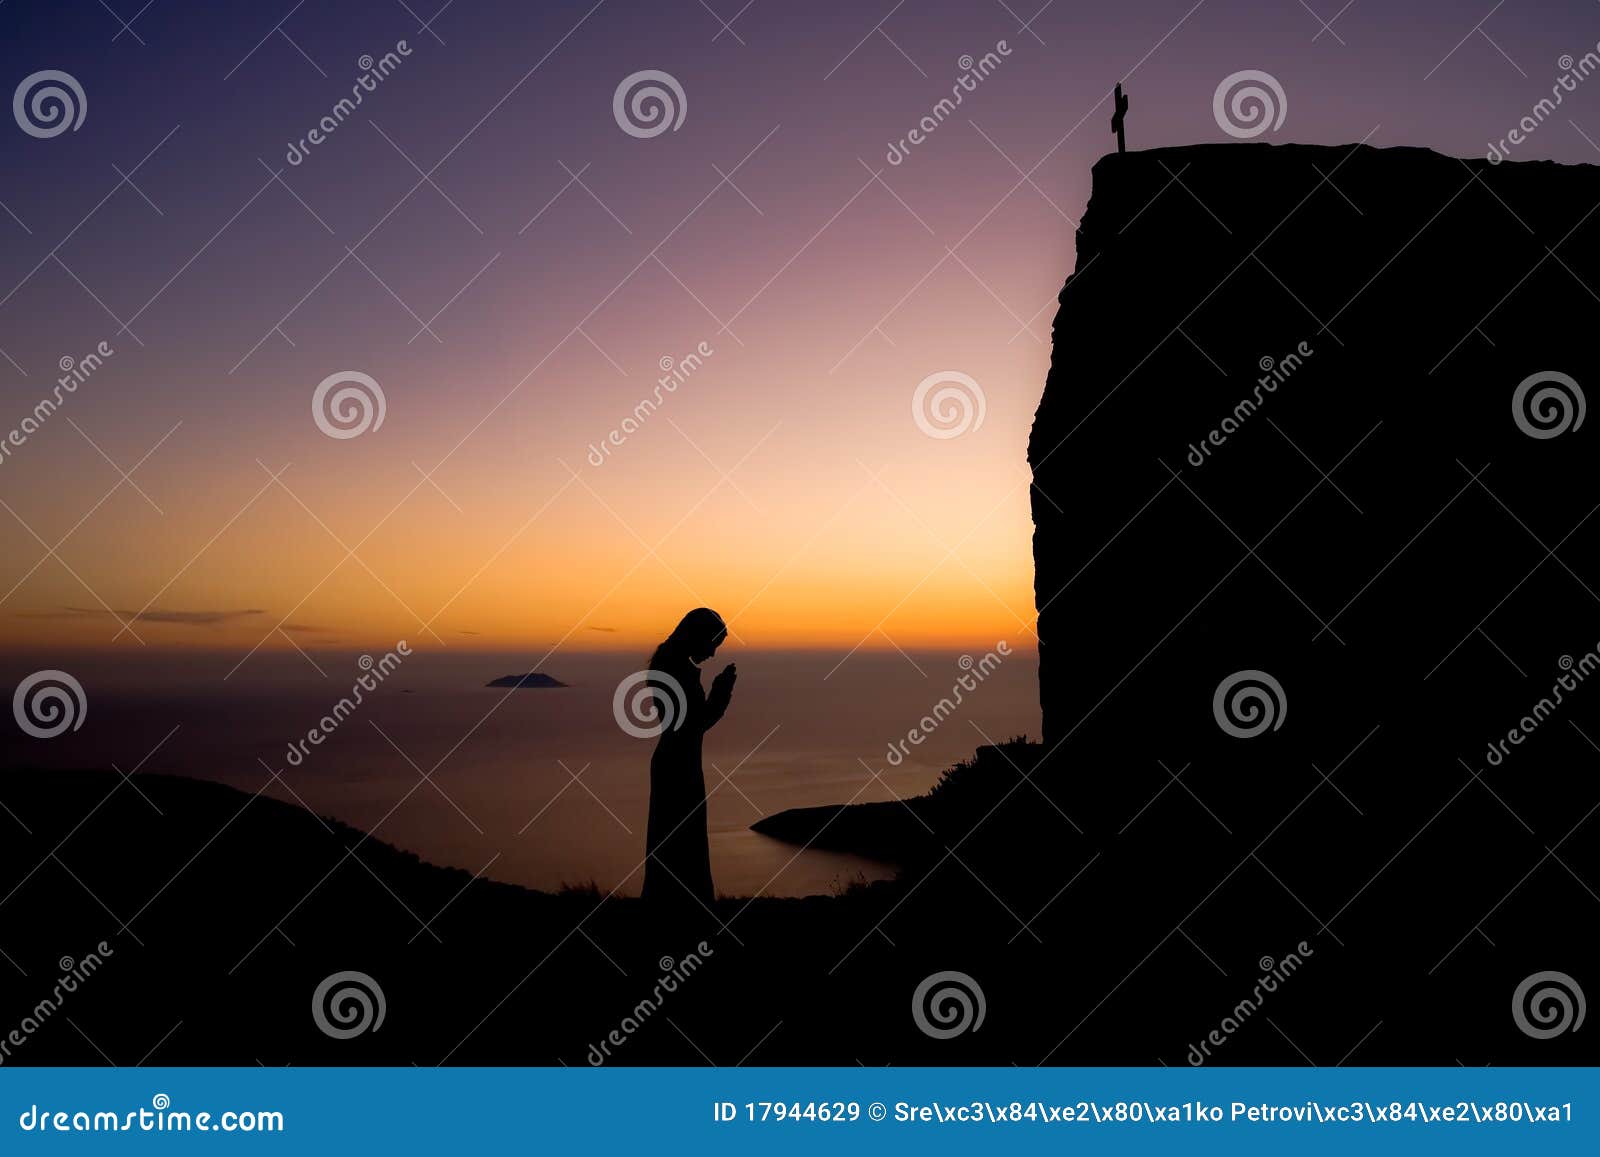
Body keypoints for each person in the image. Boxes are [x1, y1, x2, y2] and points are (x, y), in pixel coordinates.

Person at [640, 608, 737, 923]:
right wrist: (721, 694)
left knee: (683, 840)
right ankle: (680, 916)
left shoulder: (671, 664)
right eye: (712, 645)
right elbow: (692, 726)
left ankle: (678, 912)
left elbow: (691, 725)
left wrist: (719, 694)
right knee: (680, 841)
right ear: (697, 637)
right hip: (677, 766)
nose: (711, 654)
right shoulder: (672, 669)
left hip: (680, 762)